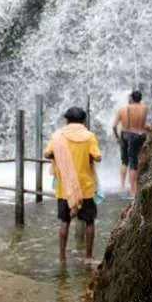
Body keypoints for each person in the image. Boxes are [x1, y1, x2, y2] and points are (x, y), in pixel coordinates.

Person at [44, 106, 102, 265]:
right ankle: (88, 257)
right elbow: (97, 157)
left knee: (65, 221)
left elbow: (47, 154)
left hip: (65, 188)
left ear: (67, 120)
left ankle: (62, 258)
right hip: (86, 187)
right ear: (83, 120)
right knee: (89, 221)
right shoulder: (89, 136)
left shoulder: (58, 136)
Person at [112, 90, 150, 197]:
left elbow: (115, 126)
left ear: (131, 98)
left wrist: (118, 138)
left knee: (126, 161)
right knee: (137, 161)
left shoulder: (124, 109)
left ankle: (126, 187)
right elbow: (143, 125)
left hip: (128, 135)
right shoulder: (145, 108)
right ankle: (136, 187)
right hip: (141, 135)